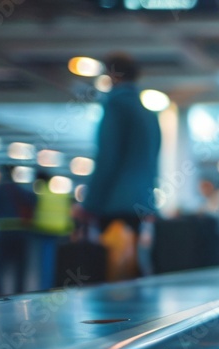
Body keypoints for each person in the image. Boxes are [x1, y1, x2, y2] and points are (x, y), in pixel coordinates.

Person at [80, 52, 162, 277]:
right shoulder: (149, 114)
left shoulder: (115, 107)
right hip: (140, 203)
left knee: (111, 268)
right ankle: (137, 310)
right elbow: (153, 162)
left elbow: (108, 158)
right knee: (131, 263)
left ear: (111, 75)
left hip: (114, 203)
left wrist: (90, 204)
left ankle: (116, 310)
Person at [0, 166, 36, 296]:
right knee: (20, 268)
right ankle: (18, 294)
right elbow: (33, 206)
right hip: (20, 234)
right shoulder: (24, 192)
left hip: (2, 233)